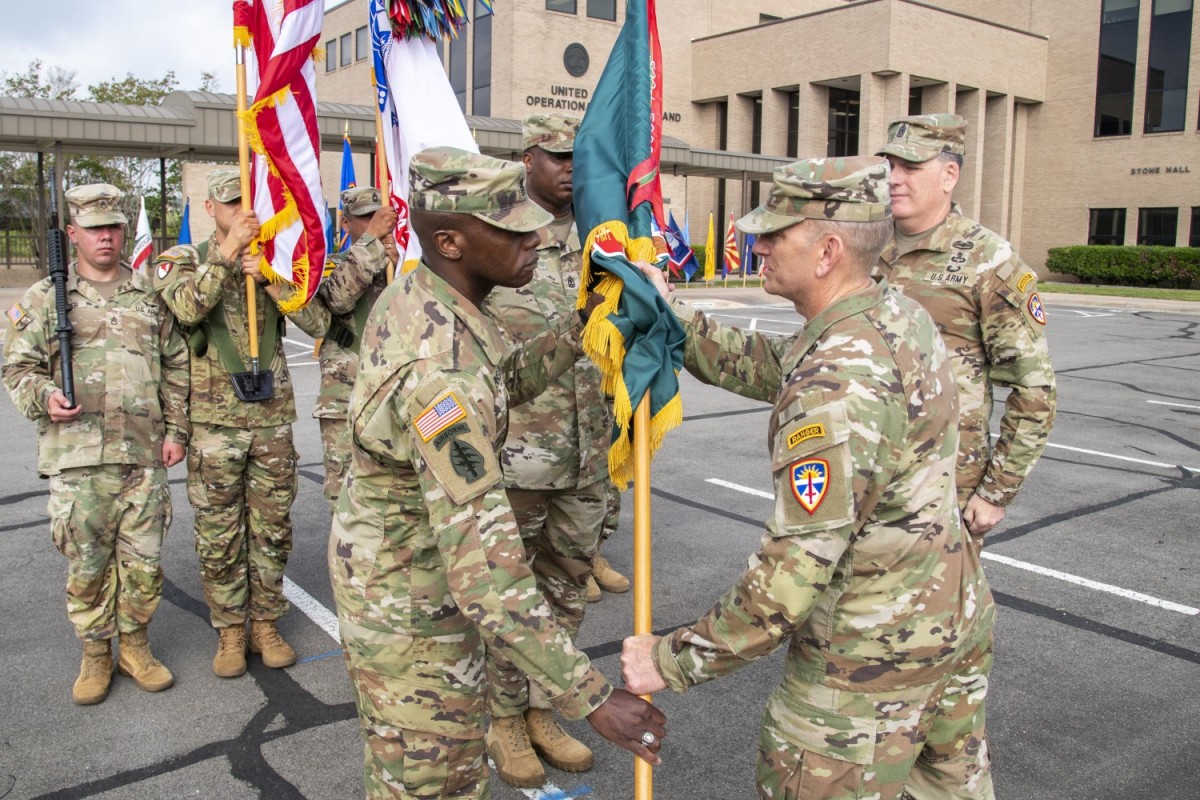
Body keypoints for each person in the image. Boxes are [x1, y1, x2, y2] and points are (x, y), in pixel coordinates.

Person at [622, 156, 996, 799]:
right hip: (944, 632)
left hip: (861, 675)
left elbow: (787, 581)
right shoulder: (892, 316)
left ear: (826, 251)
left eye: (775, 233)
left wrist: (668, 659)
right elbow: (776, 363)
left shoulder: (837, 381)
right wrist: (673, 314)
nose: (755, 244)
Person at [328, 146, 665, 799]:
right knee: (434, 783)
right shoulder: (439, 372)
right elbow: (485, 563)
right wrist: (591, 696)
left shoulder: (433, 296)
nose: (535, 237)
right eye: (509, 227)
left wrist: (581, 325)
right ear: (451, 240)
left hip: (415, 578)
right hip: (411, 609)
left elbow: (503, 383)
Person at [3, 183, 189, 704]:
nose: (105, 237)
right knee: (86, 564)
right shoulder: (47, 297)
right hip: (78, 457)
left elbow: (176, 365)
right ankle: (94, 654)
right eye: (94, 229)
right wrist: (44, 396)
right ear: (73, 234)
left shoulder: (150, 294)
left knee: (144, 561)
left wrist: (176, 432)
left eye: (113, 227)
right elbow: (17, 366)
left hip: (143, 454)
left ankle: (134, 646)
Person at [479, 113, 622, 786]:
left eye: (578, 157)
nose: (571, 167)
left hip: (589, 451)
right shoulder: (500, 232)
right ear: (528, 156)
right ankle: (504, 718)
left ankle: (543, 708)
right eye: (558, 156)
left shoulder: (603, 233)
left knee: (566, 589)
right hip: (518, 457)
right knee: (515, 597)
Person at [153, 169, 325, 678]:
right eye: (231, 205)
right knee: (219, 533)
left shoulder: (274, 258)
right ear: (211, 209)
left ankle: (266, 624)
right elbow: (185, 308)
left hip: (270, 423)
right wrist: (228, 254)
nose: (242, 215)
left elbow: (317, 324)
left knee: (272, 529)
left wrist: (270, 277)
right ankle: (229, 629)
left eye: (247, 205)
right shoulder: (182, 260)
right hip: (214, 424)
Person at [875, 114, 1056, 548]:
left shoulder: (988, 259)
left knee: (936, 611)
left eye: (911, 168)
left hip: (945, 482)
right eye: (890, 167)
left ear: (949, 174)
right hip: (867, 466)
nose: (895, 179)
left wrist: (997, 491)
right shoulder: (866, 245)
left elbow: (1035, 390)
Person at [312, 186, 398, 511]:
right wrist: (372, 244)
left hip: (394, 396)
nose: (377, 223)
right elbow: (337, 298)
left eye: (380, 217)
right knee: (346, 498)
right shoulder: (330, 265)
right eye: (366, 219)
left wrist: (398, 264)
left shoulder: (400, 265)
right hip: (345, 400)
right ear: (345, 224)